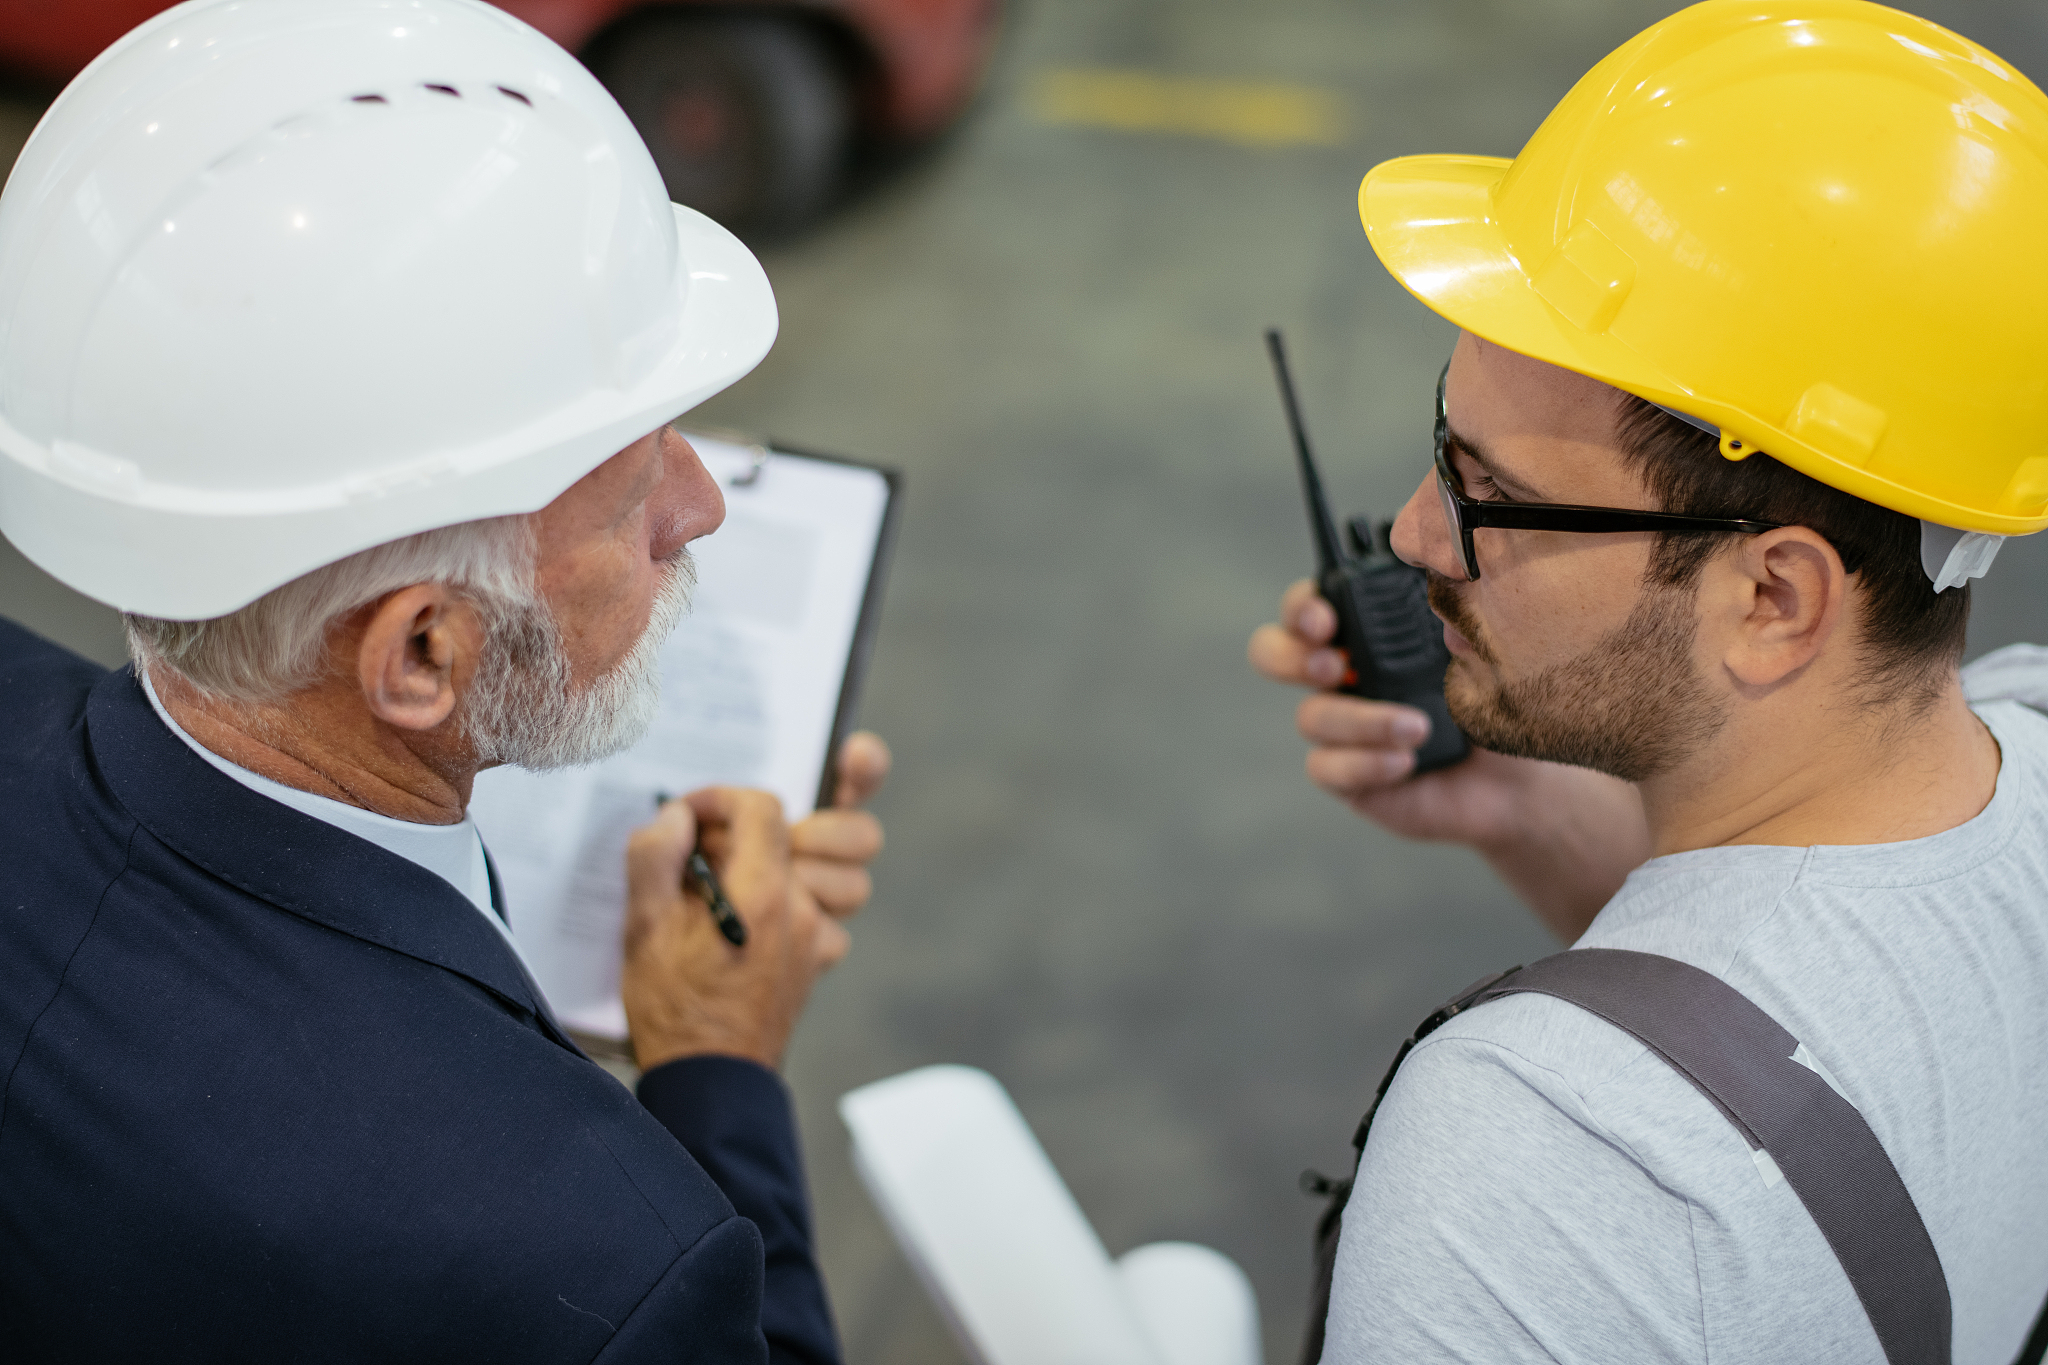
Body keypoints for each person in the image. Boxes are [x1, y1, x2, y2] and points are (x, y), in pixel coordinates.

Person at [0, 2, 877, 1360]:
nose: (701, 503)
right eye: (637, 488)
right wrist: (720, 1065)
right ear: (420, 655)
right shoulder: (603, 1259)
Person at [1248, 2, 2048, 1361]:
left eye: (1488, 493)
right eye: (1445, 451)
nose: (1416, 534)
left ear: (1773, 598)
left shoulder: (1541, 1161)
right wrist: (1514, 805)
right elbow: (1781, 1003)